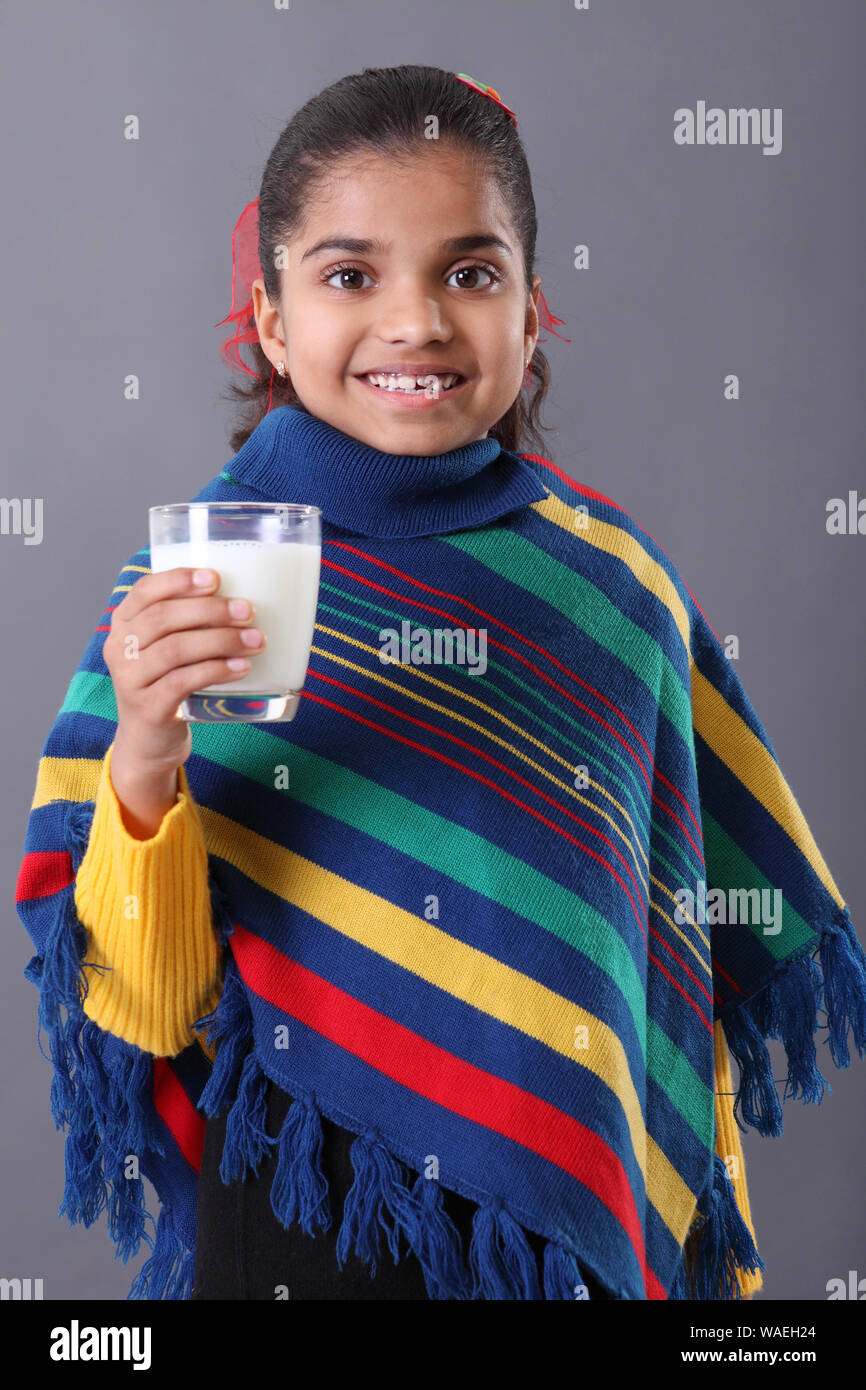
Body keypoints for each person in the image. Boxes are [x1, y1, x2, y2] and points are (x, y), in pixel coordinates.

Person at [15, 64, 866, 1302]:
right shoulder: (192, 593)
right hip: (310, 1226)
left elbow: (660, 964)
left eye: (469, 274)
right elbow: (148, 1011)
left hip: (566, 1244)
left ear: (529, 317)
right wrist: (145, 753)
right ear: (270, 319)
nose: (413, 322)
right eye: (349, 276)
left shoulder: (613, 591)